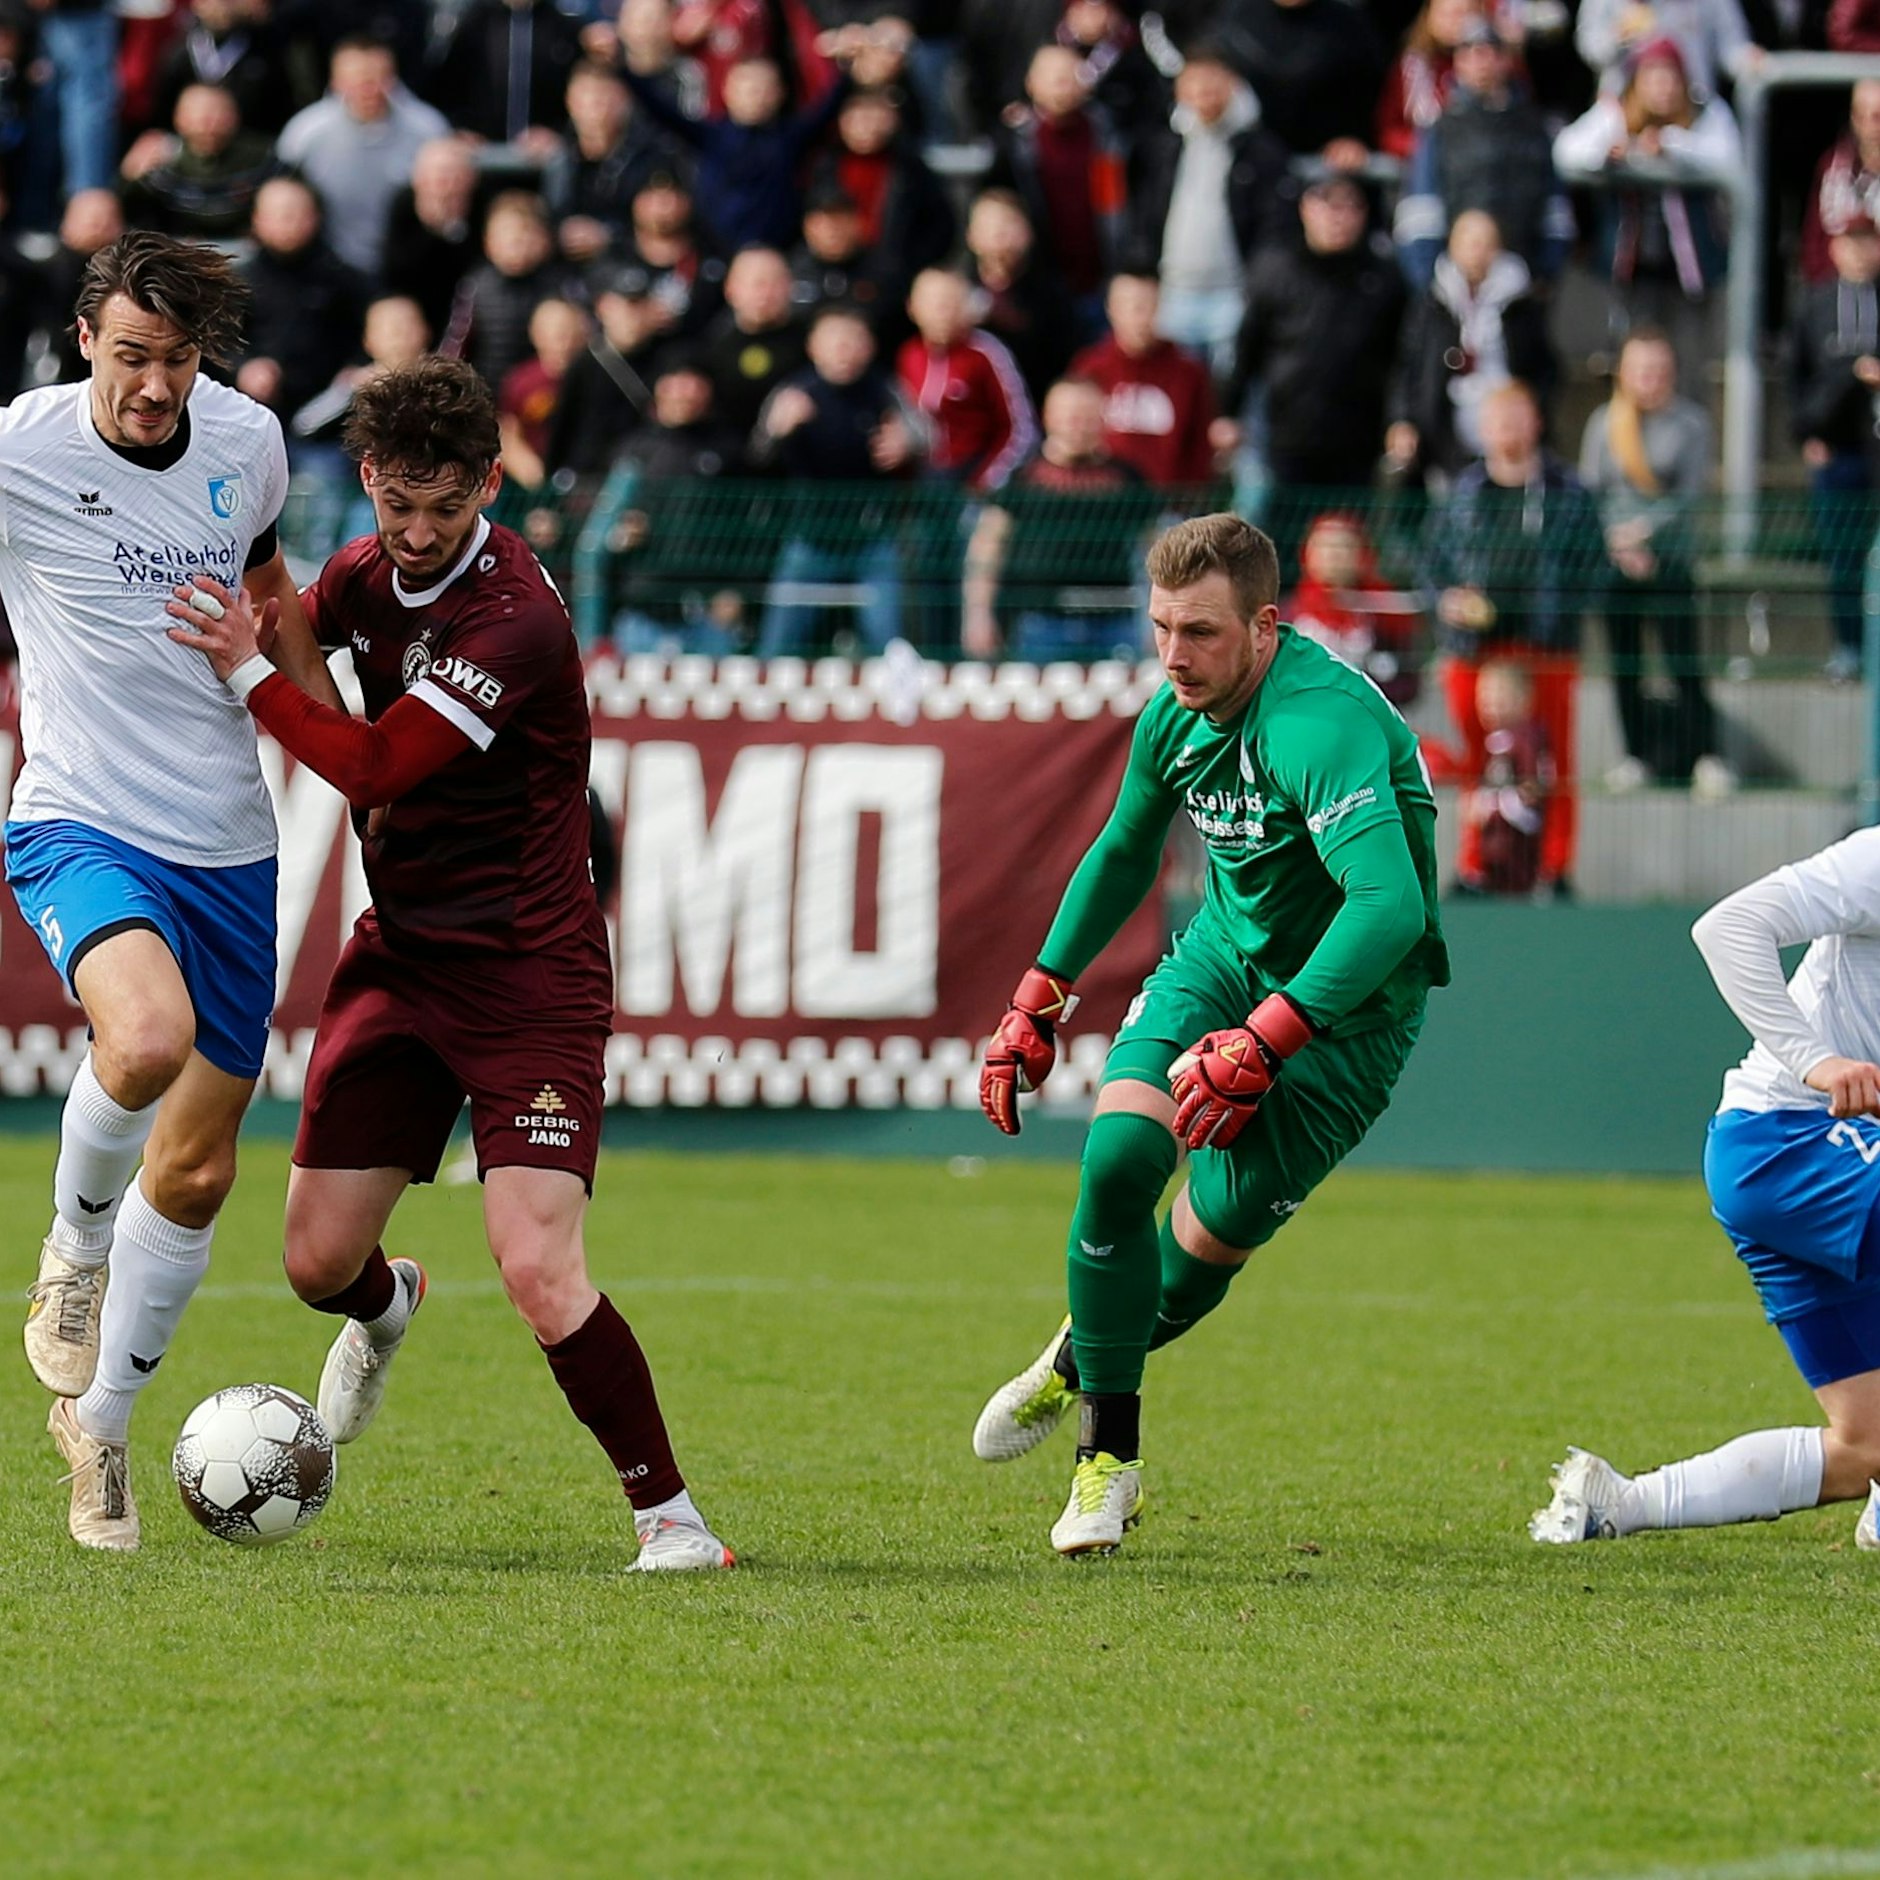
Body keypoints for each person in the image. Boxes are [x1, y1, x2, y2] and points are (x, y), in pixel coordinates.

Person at [163, 355, 736, 1573]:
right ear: (369, 475)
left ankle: (672, 1518)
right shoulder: (364, 573)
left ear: (489, 483)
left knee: (537, 1265)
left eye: (445, 506)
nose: (418, 532)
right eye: (397, 503)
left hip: (529, 972)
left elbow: (370, 765)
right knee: (316, 1261)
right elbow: (304, 627)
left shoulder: (512, 617)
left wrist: (248, 670)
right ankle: (388, 1306)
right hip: (404, 953)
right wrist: (262, 618)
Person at [970, 512, 1447, 1558]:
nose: (1173, 655)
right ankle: (1108, 1463)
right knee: (1117, 1162)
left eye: (1200, 632)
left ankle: (1075, 1356)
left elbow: (1387, 908)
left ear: (1265, 627)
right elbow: (1124, 847)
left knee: (1197, 1250)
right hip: (1222, 959)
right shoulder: (1172, 716)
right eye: (1160, 628)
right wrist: (1039, 994)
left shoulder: (1318, 724)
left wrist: (1267, 1039)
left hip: (1351, 1014)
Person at [2, 232, 339, 1550]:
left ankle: (99, 1432)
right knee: (143, 1038)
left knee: (196, 1174)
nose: (155, 385)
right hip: (79, 817)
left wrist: (342, 745)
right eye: (132, 355)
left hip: (227, 842)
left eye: (179, 360)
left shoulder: (248, 442)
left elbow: (269, 590)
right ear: (85, 338)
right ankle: (72, 1253)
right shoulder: (20, 451)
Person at [1530, 826, 1880, 1554]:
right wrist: (1818, 1062)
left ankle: (1617, 1502)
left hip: (1778, 1166)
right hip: (1788, 1141)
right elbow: (1729, 926)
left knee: (1866, 1447)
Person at [1421, 377, 1602, 898]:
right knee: (1478, 760)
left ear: (1536, 423)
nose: (1507, 430)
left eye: (1517, 418)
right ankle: (1476, 866)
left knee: (1555, 761)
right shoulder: (1461, 494)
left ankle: (1554, 867)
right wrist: (1448, 600)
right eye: (1498, 420)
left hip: (1545, 647)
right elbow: (1432, 566)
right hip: (1475, 650)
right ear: (1482, 429)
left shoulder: (1568, 492)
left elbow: (1593, 565)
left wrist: (1561, 610)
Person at [1580, 326, 1732, 798]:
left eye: (1659, 370)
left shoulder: (1691, 424)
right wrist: (1617, 541)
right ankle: (1636, 754)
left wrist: (1645, 534)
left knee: (1682, 657)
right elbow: (1591, 493)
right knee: (1625, 661)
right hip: (1616, 559)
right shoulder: (1605, 423)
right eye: (1641, 370)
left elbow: (1689, 496)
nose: (1650, 379)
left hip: (1670, 559)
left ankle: (1705, 754)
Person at [961, 376, 1156, 662]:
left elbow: (1155, 550)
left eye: (1087, 416)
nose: (1078, 426)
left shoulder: (1128, 479)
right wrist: (978, 617)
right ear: (1048, 417)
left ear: (1102, 418)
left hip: (1114, 621)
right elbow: (986, 549)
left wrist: (1158, 623)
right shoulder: (1022, 479)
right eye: (1070, 417)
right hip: (1040, 623)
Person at [1387, 207, 1553, 487]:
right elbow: (1409, 365)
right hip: (1444, 438)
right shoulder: (1432, 303)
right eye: (1470, 242)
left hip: (1509, 442)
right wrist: (1403, 419)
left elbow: (1542, 367)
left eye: (1486, 243)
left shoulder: (1521, 305)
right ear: (1453, 246)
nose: (1478, 252)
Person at [274, 35, 452, 276]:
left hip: (409, 261)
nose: (369, 90)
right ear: (336, 82)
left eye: (378, 78)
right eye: (357, 80)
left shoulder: (428, 130)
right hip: (325, 265)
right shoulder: (305, 134)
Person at [1790, 214, 1880, 684]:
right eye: (1852, 242)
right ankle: (1848, 648)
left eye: (1868, 242)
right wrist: (1808, 434)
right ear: (1835, 248)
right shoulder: (1816, 304)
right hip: (1836, 449)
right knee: (1842, 555)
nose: (1860, 252)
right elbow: (1797, 377)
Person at [1456, 657, 1552, 895]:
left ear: (1523, 701)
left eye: (1500, 700)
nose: (1492, 707)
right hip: (1496, 852)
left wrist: (1488, 806)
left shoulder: (1526, 742)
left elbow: (1531, 796)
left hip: (1518, 851)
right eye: (1486, 699)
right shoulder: (1495, 742)